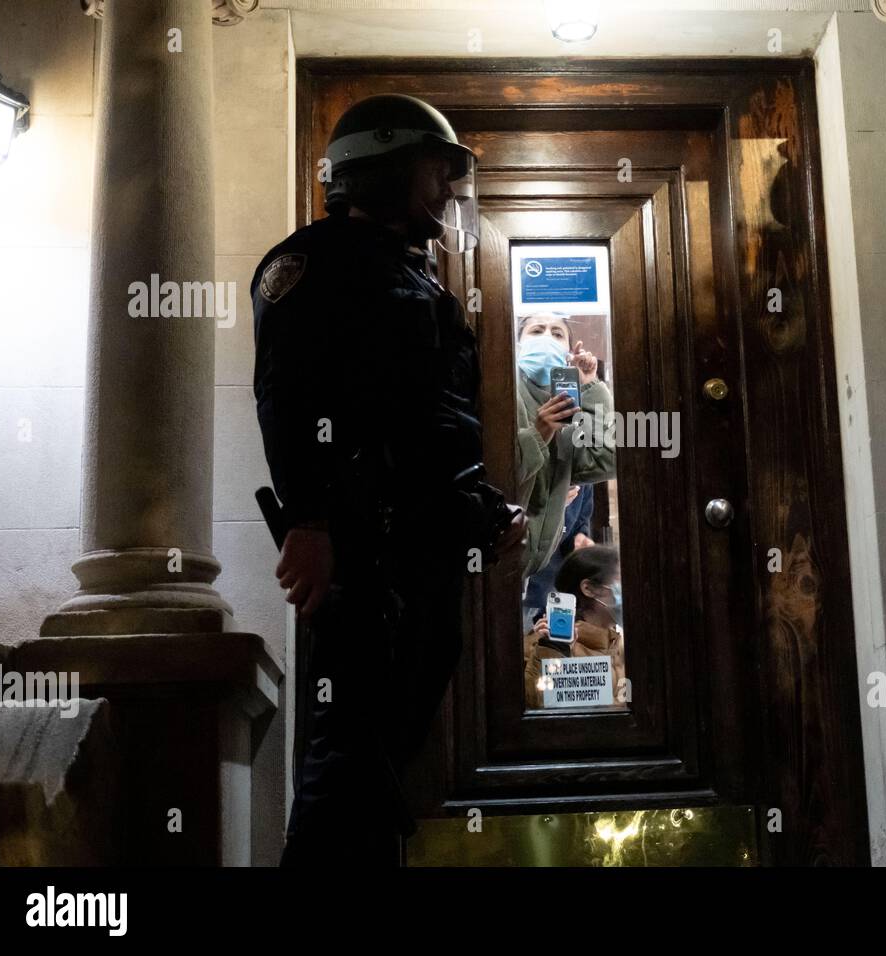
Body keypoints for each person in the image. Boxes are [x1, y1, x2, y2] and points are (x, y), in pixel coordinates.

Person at [252, 93, 527, 866]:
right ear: (381, 171)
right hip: (366, 559)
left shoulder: (411, 275)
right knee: (349, 764)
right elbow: (289, 399)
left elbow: (419, 429)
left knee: (379, 770)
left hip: (419, 558)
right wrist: (309, 522)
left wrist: (480, 510)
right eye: (435, 171)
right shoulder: (315, 263)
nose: (446, 191)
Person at [514, 311, 616, 580]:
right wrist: (539, 432)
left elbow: (608, 459)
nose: (547, 338)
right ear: (518, 344)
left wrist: (591, 385)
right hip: (494, 554)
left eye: (557, 334)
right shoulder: (503, 390)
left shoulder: (569, 405)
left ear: (568, 352)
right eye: (537, 331)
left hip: (535, 563)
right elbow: (497, 473)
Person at [523, 546, 625, 710]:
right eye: (621, 582)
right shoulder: (542, 643)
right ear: (588, 589)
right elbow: (535, 704)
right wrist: (554, 649)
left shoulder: (619, 647)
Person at [522, 482, 596, 631]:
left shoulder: (585, 481)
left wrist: (579, 541)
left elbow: (581, 523)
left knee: (550, 649)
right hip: (519, 589)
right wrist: (552, 506)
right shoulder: (538, 470)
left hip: (553, 595)